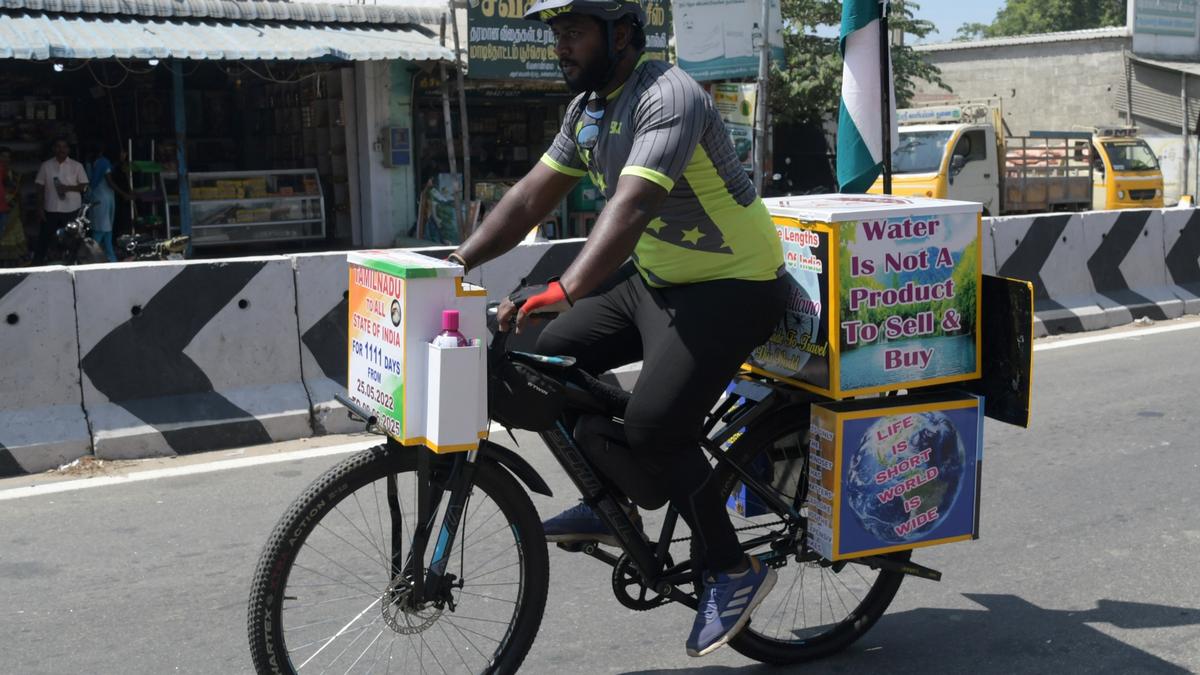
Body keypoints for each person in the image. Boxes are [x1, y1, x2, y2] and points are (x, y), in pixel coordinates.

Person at [448, 0, 787, 658]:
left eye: (572, 32)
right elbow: (527, 199)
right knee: (539, 357)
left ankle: (731, 568)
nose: (561, 47)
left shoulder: (670, 97)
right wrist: (458, 259)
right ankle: (620, 500)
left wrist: (566, 287)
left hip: (735, 286)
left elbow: (631, 207)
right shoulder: (588, 112)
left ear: (622, 31)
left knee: (657, 425)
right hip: (659, 281)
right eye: (556, 35)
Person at [33, 138, 88, 265]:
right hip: (50, 208)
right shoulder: (46, 166)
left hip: (71, 209)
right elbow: (39, 188)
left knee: (73, 240)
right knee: (44, 239)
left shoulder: (76, 166)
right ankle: (36, 264)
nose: (61, 149)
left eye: (64, 147)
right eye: (58, 146)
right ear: (54, 149)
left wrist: (68, 188)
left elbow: (84, 186)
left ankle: (74, 265)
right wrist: (39, 208)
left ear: (68, 149)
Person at [88, 143, 134, 263]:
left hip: (103, 198)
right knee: (101, 229)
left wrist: (120, 162)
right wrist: (123, 193)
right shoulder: (103, 162)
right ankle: (91, 256)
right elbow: (110, 181)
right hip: (102, 199)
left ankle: (111, 257)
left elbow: (111, 168)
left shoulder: (99, 162)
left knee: (107, 230)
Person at [0, 147, 14, 243]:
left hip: (3, 207)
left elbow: (9, 186)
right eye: (3, 156)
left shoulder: (7, 171)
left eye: (8, 157)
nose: (6, 159)